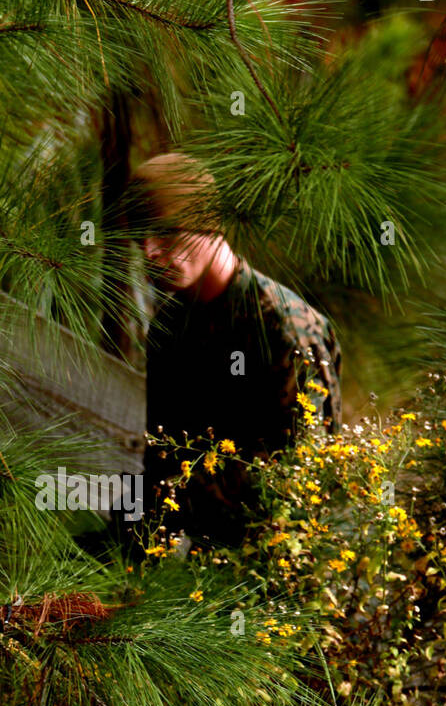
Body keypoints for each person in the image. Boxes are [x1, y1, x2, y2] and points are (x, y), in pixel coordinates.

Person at [127, 152, 342, 546]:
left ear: (208, 224)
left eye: (165, 233)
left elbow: (307, 480)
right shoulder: (171, 325)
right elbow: (161, 458)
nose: (150, 252)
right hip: (199, 565)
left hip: (279, 563)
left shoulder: (286, 329)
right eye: (141, 238)